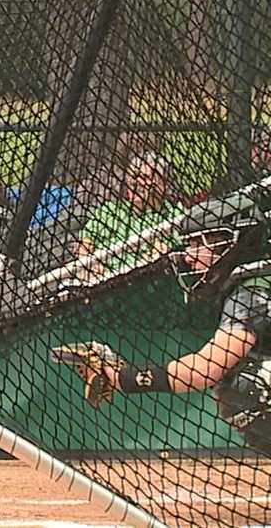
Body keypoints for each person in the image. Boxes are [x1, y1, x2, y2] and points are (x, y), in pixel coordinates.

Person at [66, 194, 271, 455]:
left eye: (199, 243)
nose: (188, 256)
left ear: (231, 243)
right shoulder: (256, 278)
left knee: (243, 386)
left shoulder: (251, 291)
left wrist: (119, 377)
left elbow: (205, 370)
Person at [75, 151, 185, 279]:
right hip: (99, 280)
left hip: (144, 280)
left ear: (163, 184)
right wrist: (89, 265)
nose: (136, 182)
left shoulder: (173, 214)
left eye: (145, 177)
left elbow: (165, 249)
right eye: (133, 176)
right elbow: (85, 242)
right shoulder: (110, 210)